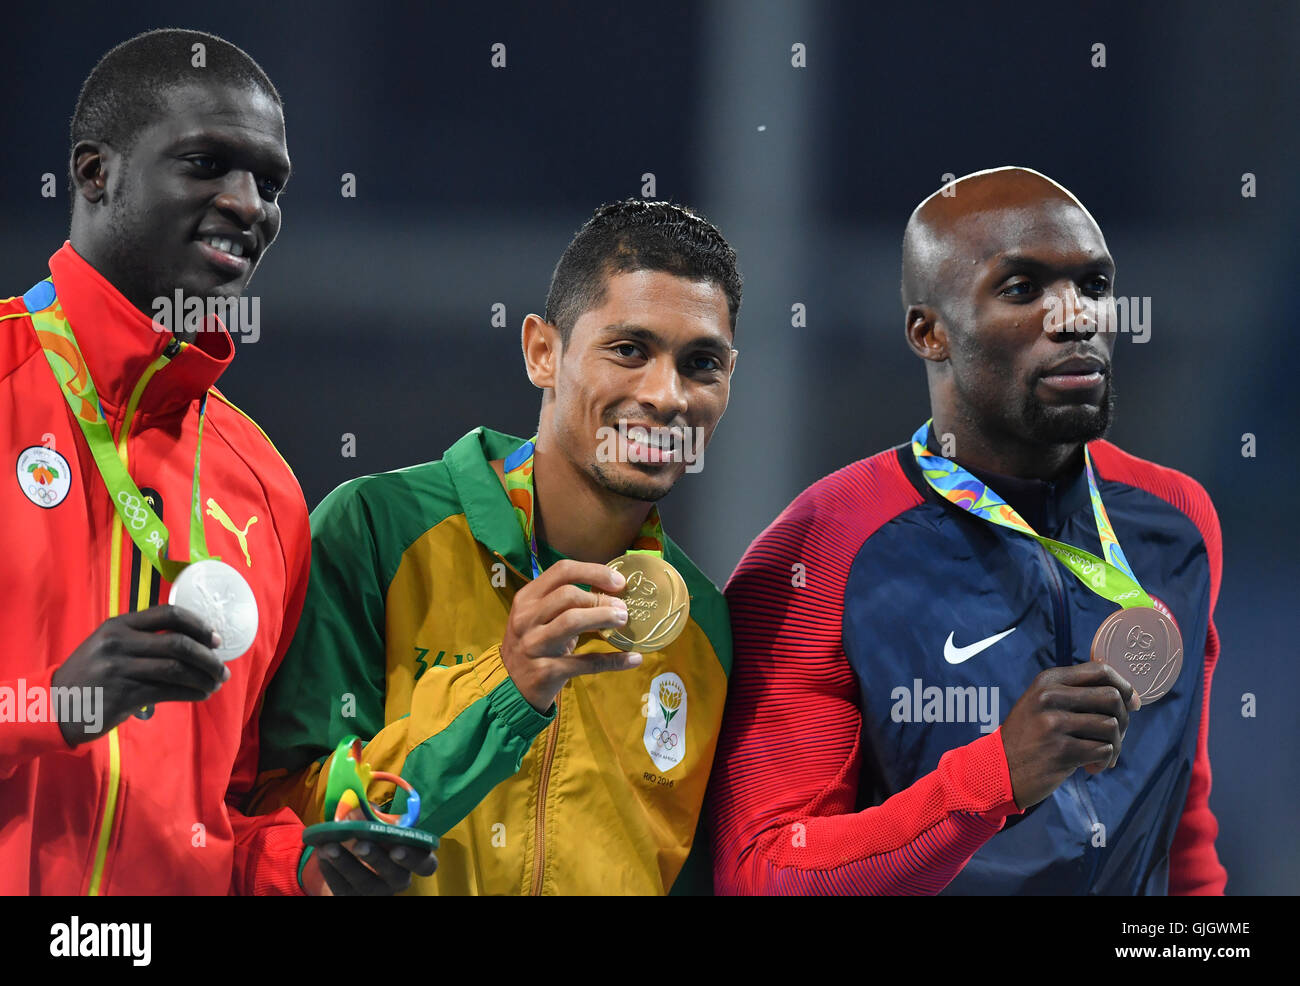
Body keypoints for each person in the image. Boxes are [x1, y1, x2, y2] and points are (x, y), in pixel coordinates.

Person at [709, 167, 1226, 895]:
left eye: (1095, 286)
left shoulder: (1176, 520)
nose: (1075, 315)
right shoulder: (820, 549)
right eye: (1022, 289)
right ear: (929, 332)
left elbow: (1183, 829)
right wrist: (993, 780)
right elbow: (766, 871)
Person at [0, 28, 431, 895]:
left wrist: (304, 871)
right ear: (95, 173)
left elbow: (225, 812)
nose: (249, 204)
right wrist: (51, 705)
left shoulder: (263, 488)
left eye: (270, 183)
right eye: (206, 164)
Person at [251, 199, 739, 894]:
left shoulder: (706, 625)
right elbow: (280, 820)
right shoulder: (376, 530)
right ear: (543, 351)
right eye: (630, 350)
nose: (666, 394)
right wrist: (503, 688)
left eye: (701, 364)